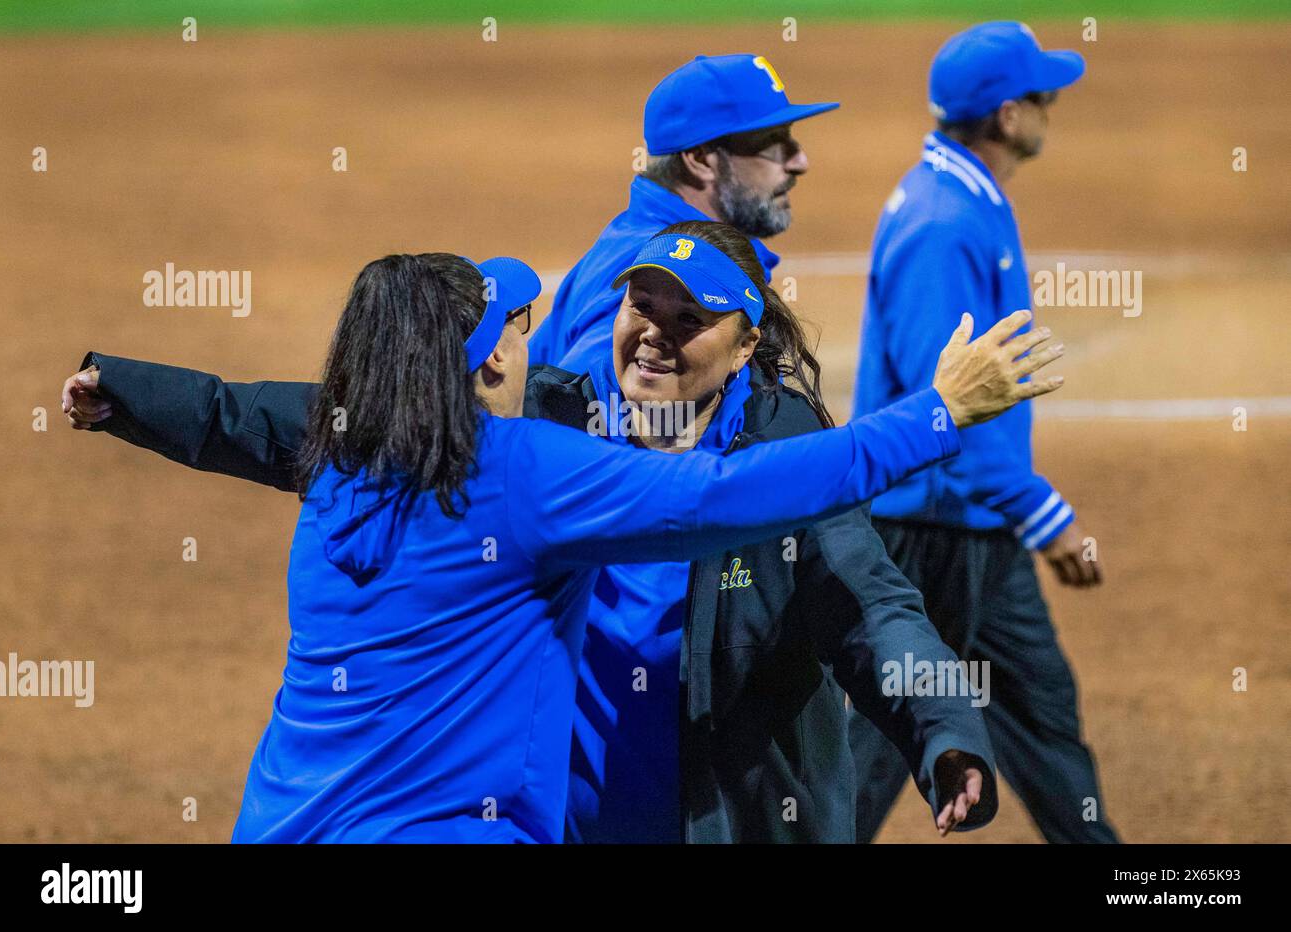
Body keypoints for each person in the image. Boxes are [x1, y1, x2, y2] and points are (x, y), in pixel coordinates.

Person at [64, 229, 1067, 842]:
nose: (656, 328)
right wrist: (934, 415)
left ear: (748, 345)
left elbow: (880, 611)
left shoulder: (369, 449)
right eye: (643, 301)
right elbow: (719, 496)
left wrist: (945, 728)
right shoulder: (533, 449)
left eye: (692, 314)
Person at [848, 21, 1119, 843]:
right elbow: (950, 408)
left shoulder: (962, 196)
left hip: (974, 531)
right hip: (927, 533)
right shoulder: (945, 224)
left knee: (1043, 722)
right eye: (1043, 95)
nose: (1054, 106)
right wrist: (1046, 513)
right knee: (873, 751)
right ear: (1006, 116)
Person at [528, 53, 836, 372]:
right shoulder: (661, 272)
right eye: (772, 141)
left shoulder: (649, 239)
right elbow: (571, 405)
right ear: (700, 159)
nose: (800, 162)